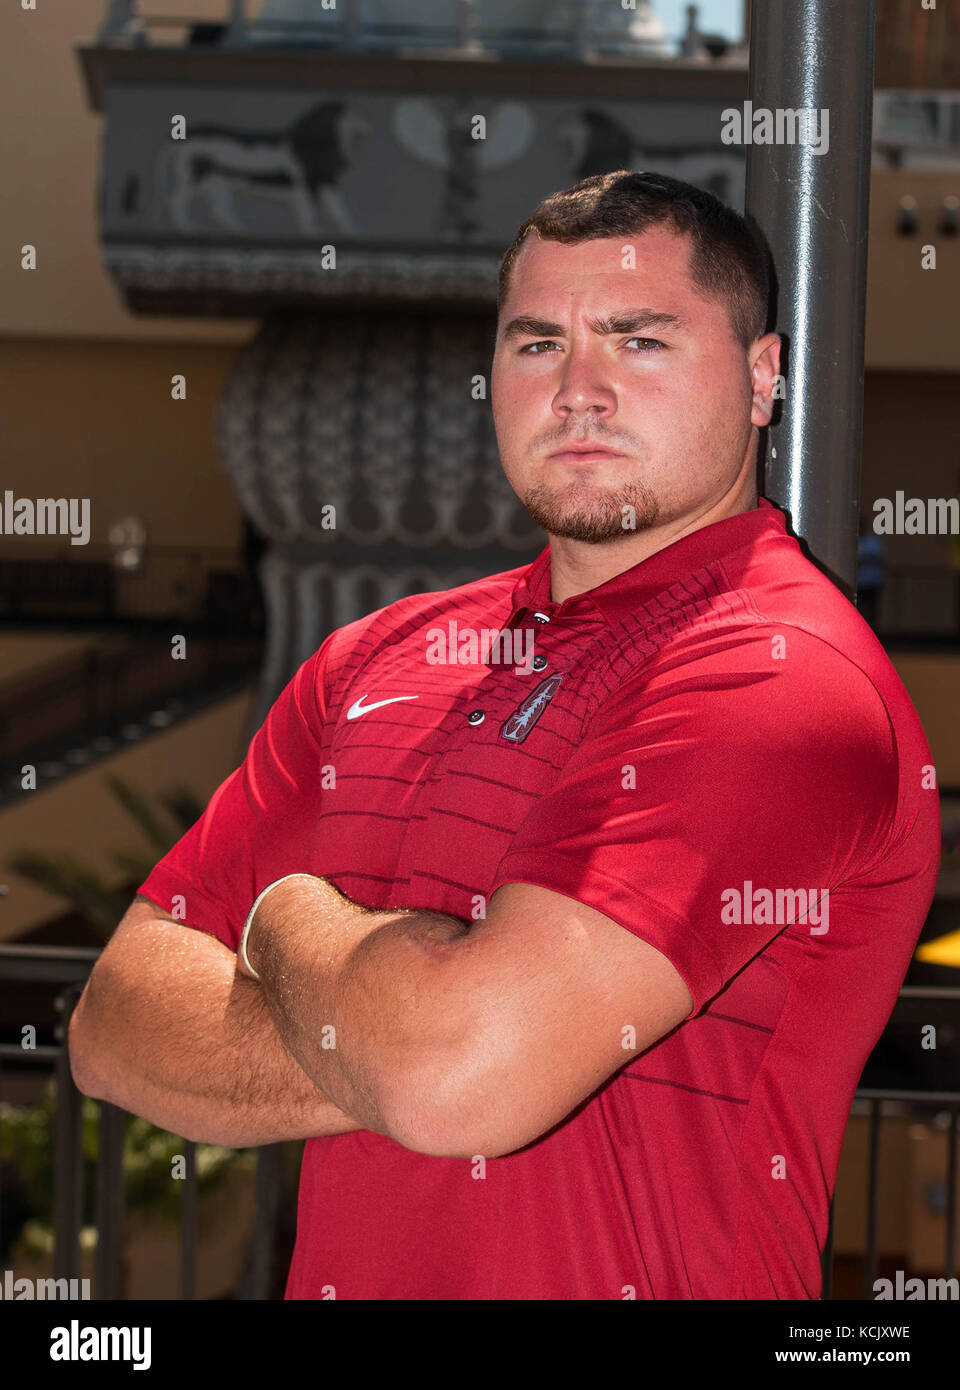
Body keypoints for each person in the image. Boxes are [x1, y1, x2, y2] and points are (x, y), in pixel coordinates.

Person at [69, 171, 941, 1300]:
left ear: (764, 377)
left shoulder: (785, 678)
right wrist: (401, 1031)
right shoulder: (370, 661)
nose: (579, 390)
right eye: (537, 346)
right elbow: (113, 1021)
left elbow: (455, 1077)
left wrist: (288, 916)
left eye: (639, 341)